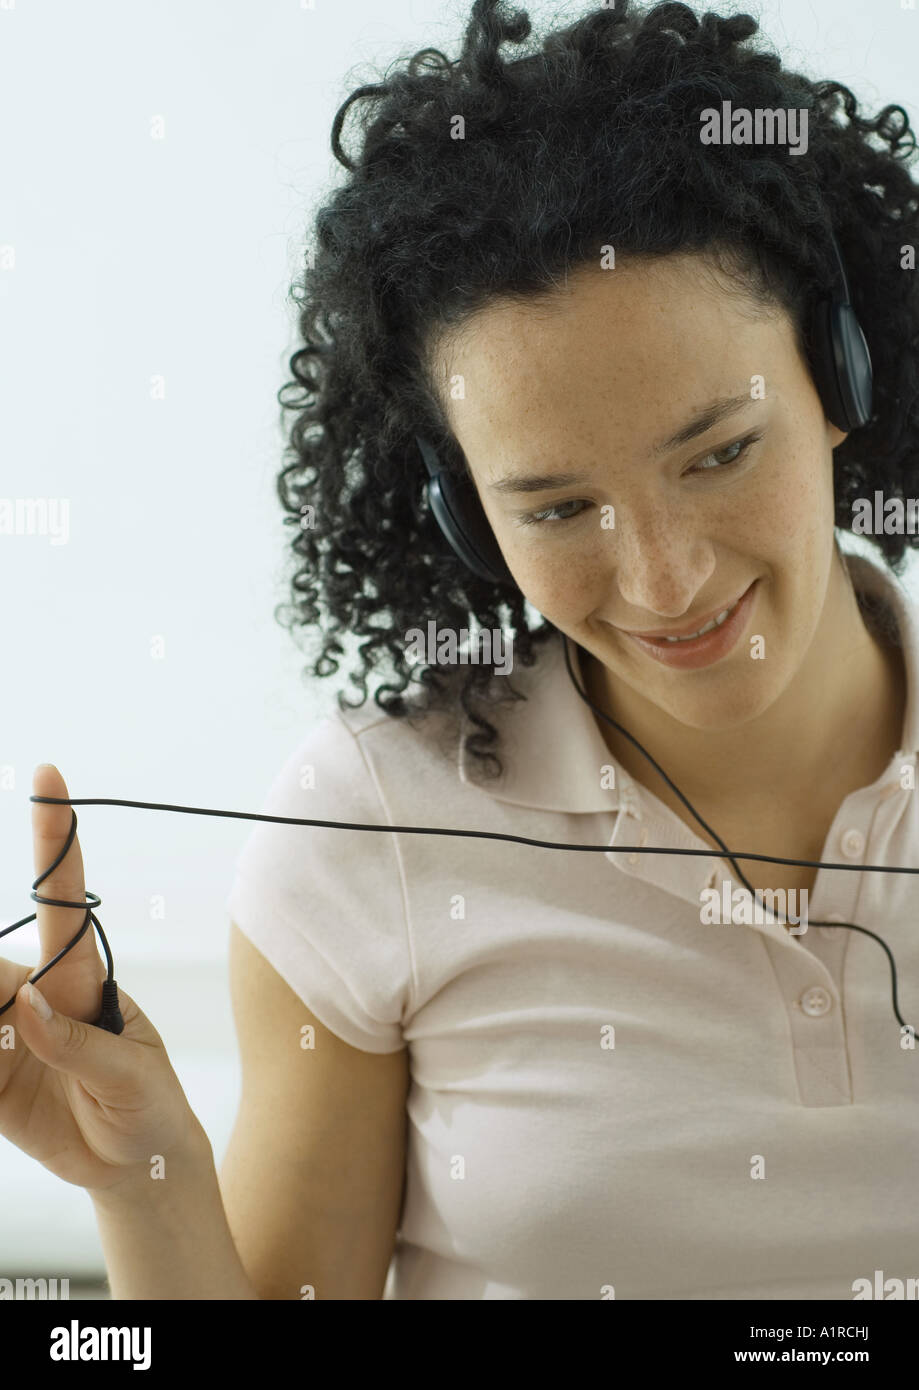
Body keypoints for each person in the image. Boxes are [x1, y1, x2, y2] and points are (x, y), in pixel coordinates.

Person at [3, 0, 919, 1301]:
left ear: (844, 374)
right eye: (556, 508)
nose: (665, 578)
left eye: (720, 452)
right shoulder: (371, 833)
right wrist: (141, 1174)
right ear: (463, 516)